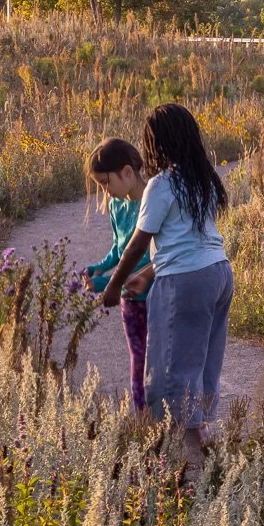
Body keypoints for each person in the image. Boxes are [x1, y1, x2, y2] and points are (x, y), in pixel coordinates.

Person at [101, 104, 234, 449]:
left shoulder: (161, 185)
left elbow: (136, 245)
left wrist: (113, 286)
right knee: (205, 361)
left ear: (157, 144)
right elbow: (187, 241)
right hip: (219, 274)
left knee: (171, 367)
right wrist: (148, 275)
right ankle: (204, 436)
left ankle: (187, 454)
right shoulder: (203, 179)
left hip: (185, 283)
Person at [84, 138, 155, 412]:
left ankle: (168, 410)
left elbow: (146, 256)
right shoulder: (117, 206)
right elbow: (119, 249)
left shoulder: (152, 201)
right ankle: (142, 415)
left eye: (105, 182)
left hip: (155, 292)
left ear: (127, 172)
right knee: (138, 358)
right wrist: (98, 268)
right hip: (130, 300)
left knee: (160, 358)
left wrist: (105, 284)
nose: (105, 191)